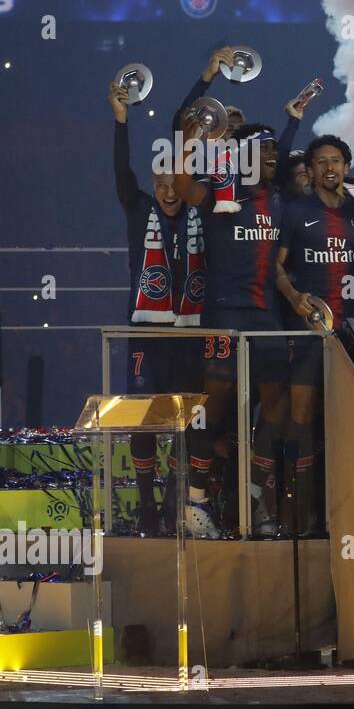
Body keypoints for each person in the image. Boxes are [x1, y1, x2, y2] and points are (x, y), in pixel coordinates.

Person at [170, 122, 290, 537]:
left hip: (267, 317)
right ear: (244, 156)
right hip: (223, 315)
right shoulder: (220, 193)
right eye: (266, 150)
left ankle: (259, 501)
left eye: (276, 151)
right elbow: (182, 183)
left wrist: (295, 299)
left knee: (274, 409)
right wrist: (190, 139)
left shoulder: (278, 199)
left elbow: (278, 265)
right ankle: (195, 502)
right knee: (213, 409)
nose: (274, 157)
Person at [110, 80, 205, 536]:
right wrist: (121, 121)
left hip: (188, 334)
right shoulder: (138, 209)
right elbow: (120, 173)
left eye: (175, 185)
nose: (169, 192)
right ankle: (148, 505)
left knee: (184, 421)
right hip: (146, 333)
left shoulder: (197, 215)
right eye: (162, 184)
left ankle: (173, 502)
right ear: (154, 184)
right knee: (146, 416)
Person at [274, 132, 354, 534]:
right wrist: (295, 296)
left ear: (346, 168)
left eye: (336, 161)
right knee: (301, 419)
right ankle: (297, 516)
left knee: (353, 423)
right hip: (310, 335)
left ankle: (351, 512)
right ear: (310, 171)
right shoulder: (295, 211)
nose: (330, 168)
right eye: (321, 163)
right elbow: (275, 268)